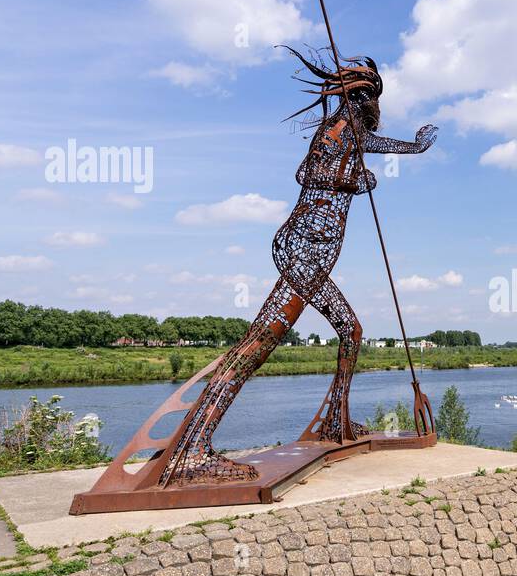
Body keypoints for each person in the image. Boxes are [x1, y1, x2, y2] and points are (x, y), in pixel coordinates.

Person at [161, 50, 437, 486]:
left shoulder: (351, 133)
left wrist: (414, 148)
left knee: (351, 331)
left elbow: (369, 150)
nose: (373, 109)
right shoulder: (339, 127)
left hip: (314, 250)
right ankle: (193, 451)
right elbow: (308, 172)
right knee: (260, 342)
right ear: (362, 99)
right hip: (305, 247)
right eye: (370, 99)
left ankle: (334, 423)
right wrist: (355, 181)